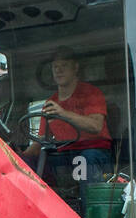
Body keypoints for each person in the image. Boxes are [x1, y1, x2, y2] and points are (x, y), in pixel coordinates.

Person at [21, 46, 113, 195]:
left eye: (64, 66)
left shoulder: (91, 93)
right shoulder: (51, 102)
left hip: (94, 152)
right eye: (55, 67)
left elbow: (96, 126)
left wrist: (63, 113)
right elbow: (42, 139)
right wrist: (19, 158)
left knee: (85, 159)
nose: (58, 70)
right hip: (63, 156)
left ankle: (88, 212)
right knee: (32, 163)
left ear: (75, 68)